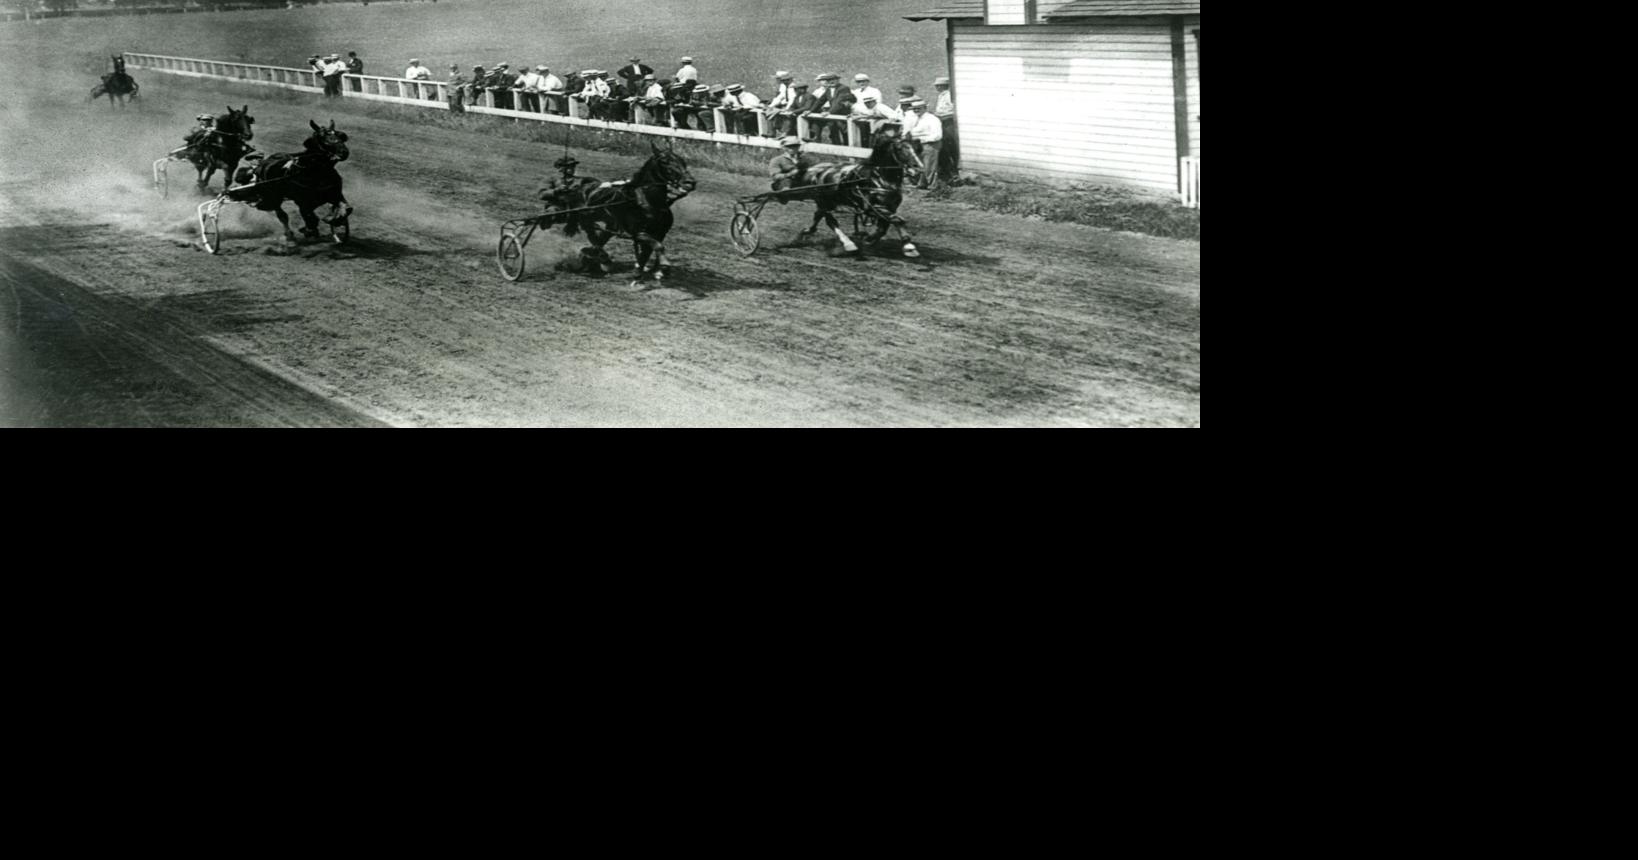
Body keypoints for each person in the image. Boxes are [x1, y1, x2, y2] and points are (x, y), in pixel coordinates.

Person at [902, 97, 942, 188]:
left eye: (919, 108)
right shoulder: (916, 119)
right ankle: (922, 183)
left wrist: (922, 140)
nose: (916, 110)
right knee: (921, 165)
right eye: (914, 109)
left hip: (930, 144)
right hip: (917, 144)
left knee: (929, 166)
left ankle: (933, 186)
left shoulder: (932, 119)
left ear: (925, 108)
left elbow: (937, 135)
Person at [768, 136, 814, 201]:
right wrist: (790, 174)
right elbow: (775, 176)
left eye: (796, 146)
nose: (794, 148)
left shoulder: (804, 159)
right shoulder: (777, 160)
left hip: (802, 183)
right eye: (791, 146)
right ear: (784, 148)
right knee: (786, 181)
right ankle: (785, 193)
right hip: (783, 184)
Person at [932, 75, 959, 183]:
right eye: (937, 86)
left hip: (948, 120)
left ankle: (954, 168)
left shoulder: (948, 96)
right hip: (941, 120)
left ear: (943, 86)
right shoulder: (941, 96)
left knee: (950, 143)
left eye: (939, 86)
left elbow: (953, 109)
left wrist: (941, 114)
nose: (937, 88)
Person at [823, 74, 855, 145]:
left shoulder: (843, 88)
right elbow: (820, 100)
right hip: (833, 116)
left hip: (843, 115)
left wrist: (829, 112)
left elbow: (839, 103)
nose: (831, 82)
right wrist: (810, 110)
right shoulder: (828, 90)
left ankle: (848, 149)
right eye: (828, 80)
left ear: (837, 80)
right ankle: (836, 151)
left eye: (833, 80)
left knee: (845, 133)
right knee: (833, 132)